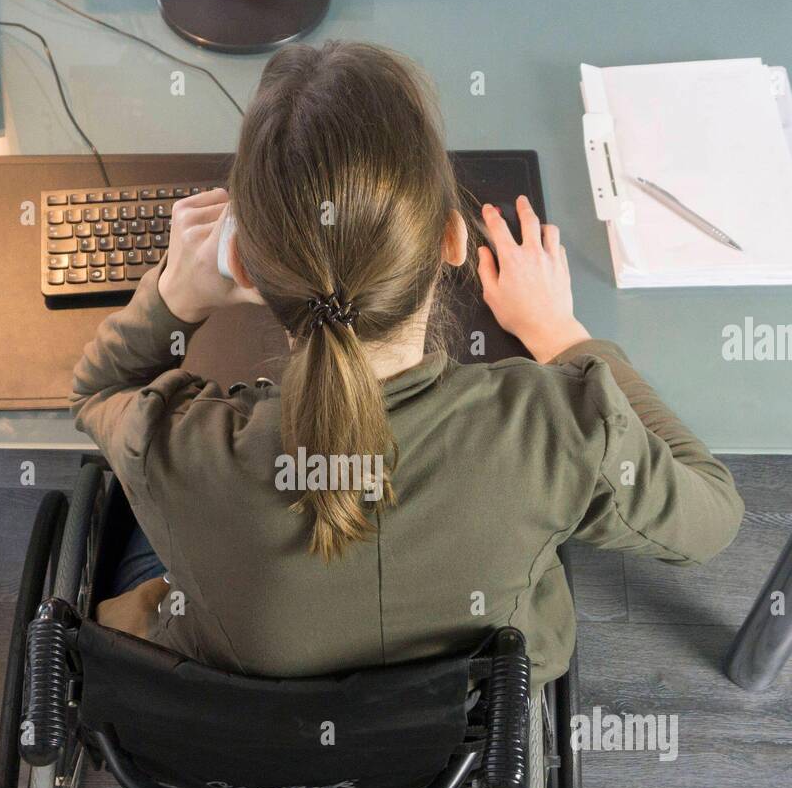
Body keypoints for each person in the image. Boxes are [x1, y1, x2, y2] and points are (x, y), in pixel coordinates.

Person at [71, 41, 743, 685]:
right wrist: (562, 334)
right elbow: (711, 515)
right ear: (452, 240)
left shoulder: (177, 445)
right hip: (462, 721)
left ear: (242, 263)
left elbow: (99, 389)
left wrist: (173, 295)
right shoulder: (558, 431)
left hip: (230, 706)